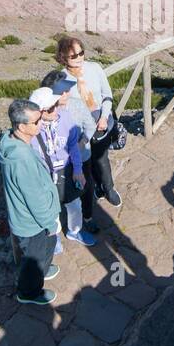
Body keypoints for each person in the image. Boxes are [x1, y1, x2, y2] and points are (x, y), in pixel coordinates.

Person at [0, 86, 94, 248]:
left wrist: (77, 169)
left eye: (56, 104)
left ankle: (74, 231)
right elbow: (8, 141)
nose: (56, 109)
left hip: (66, 170)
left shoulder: (65, 116)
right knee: (50, 209)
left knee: (75, 205)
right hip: (44, 175)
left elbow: (73, 146)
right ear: (38, 112)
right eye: (50, 108)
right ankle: (53, 239)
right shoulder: (30, 127)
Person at [0, 99, 62, 304]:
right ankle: (29, 293)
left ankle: (42, 268)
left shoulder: (10, 139)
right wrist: (50, 223)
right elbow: (35, 198)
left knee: (40, 253)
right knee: (35, 257)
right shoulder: (21, 158)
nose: (41, 123)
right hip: (33, 223)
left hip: (27, 219)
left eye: (40, 117)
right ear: (22, 126)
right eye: (36, 121)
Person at [52, 37, 120, 217]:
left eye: (81, 53)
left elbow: (107, 94)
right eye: (73, 56)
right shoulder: (61, 79)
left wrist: (104, 117)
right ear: (63, 58)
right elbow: (59, 109)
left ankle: (108, 188)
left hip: (101, 121)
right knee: (85, 164)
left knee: (101, 158)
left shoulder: (94, 68)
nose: (79, 58)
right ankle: (93, 193)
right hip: (80, 130)